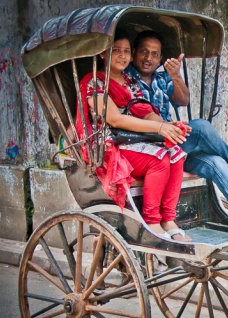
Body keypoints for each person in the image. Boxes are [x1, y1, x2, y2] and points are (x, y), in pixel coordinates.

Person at [125, 30, 228, 235]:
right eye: (144, 52)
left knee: (216, 163)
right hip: (147, 146)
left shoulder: (161, 77)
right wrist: (167, 127)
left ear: (160, 57)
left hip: (173, 146)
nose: (149, 58)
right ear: (134, 52)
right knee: (201, 127)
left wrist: (175, 76)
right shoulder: (126, 79)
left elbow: (183, 100)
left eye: (155, 54)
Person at [76, 31, 190, 240]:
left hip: (134, 140)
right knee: (160, 160)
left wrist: (167, 125)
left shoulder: (129, 81)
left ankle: (169, 219)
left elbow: (145, 111)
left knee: (177, 154)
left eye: (126, 51)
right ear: (103, 53)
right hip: (109, 146)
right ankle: (152, 221)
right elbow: (114, 119)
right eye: (116, 50)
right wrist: (159, 129)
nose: (122, 56)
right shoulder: (94, 82)